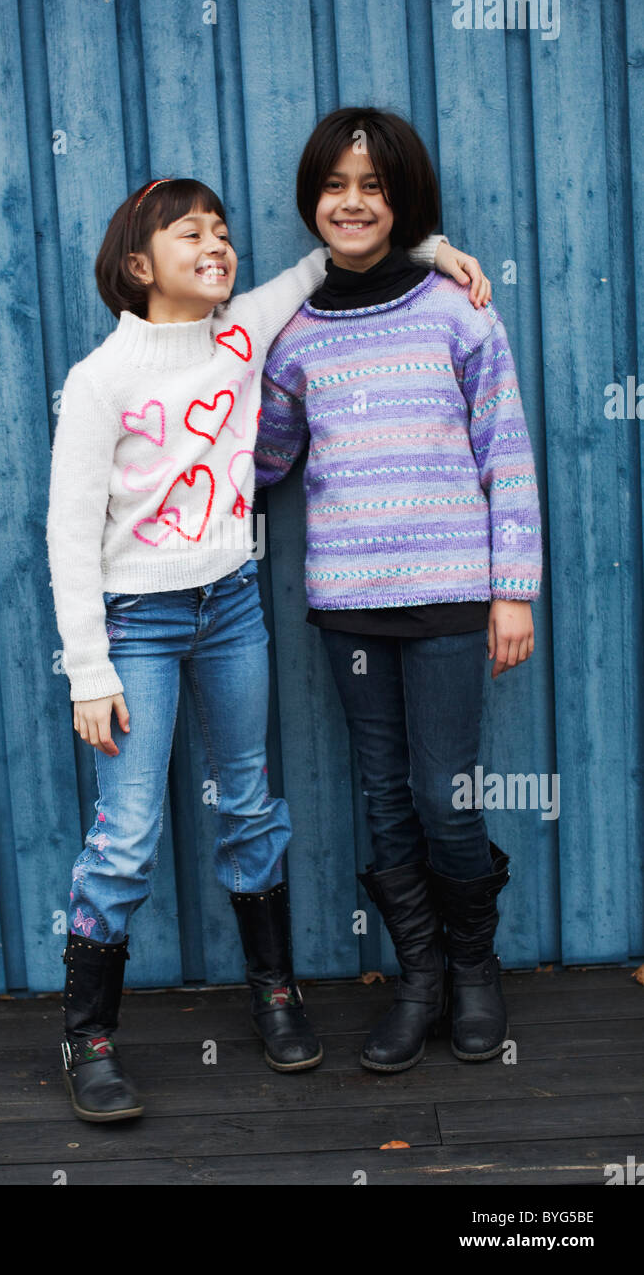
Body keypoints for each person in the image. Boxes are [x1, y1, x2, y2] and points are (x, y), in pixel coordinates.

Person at [46, 173, 487, 1120]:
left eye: (221, 231)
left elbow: (327, 262)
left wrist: (427, 252)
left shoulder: (243, 332)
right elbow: (69, 531)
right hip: (140, 627)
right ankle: (87, 1037)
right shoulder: (101, 380)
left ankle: (275, 992)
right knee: (127, 835)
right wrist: (88, 666)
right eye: (189, 235)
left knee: (248, 801)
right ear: (138, 265)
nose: (216, 245)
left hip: (232, 607)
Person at [254, 107, 542, 1073]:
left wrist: (515, 590)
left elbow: (507, 451)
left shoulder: (459, 309)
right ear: (312, 202)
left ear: (403, 201)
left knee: (445, 796)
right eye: (335, 185)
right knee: (383, 799)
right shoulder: (292, 335)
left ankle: (475, 968)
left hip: (456, 597)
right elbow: (268, 461)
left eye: (373, 186)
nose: (352, 202)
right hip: (350, 605)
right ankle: (419, 980)